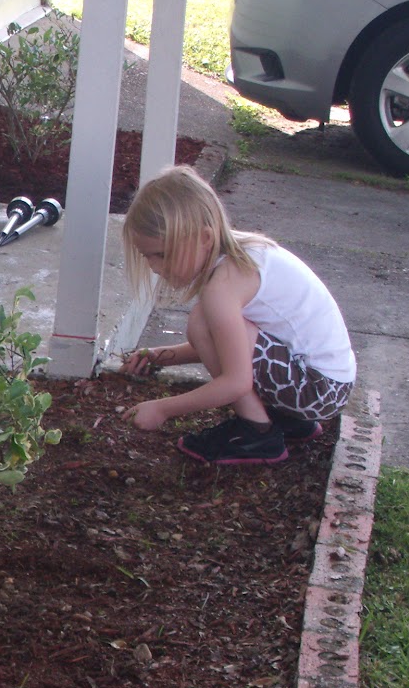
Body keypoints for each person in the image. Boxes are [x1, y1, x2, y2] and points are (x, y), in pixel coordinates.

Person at [119, 166, 355, 465]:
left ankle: (257, 432)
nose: (154, 266)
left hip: (315, 389)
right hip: (326, 386)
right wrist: (160, 356)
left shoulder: (222, 286)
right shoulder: (240, 253)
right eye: (147, 256)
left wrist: (163, 408)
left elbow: (236, 381)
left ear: (204, 238)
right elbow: (231, 346)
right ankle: (287, 420)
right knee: (204, 322)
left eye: (162, 254)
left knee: (200, 321)